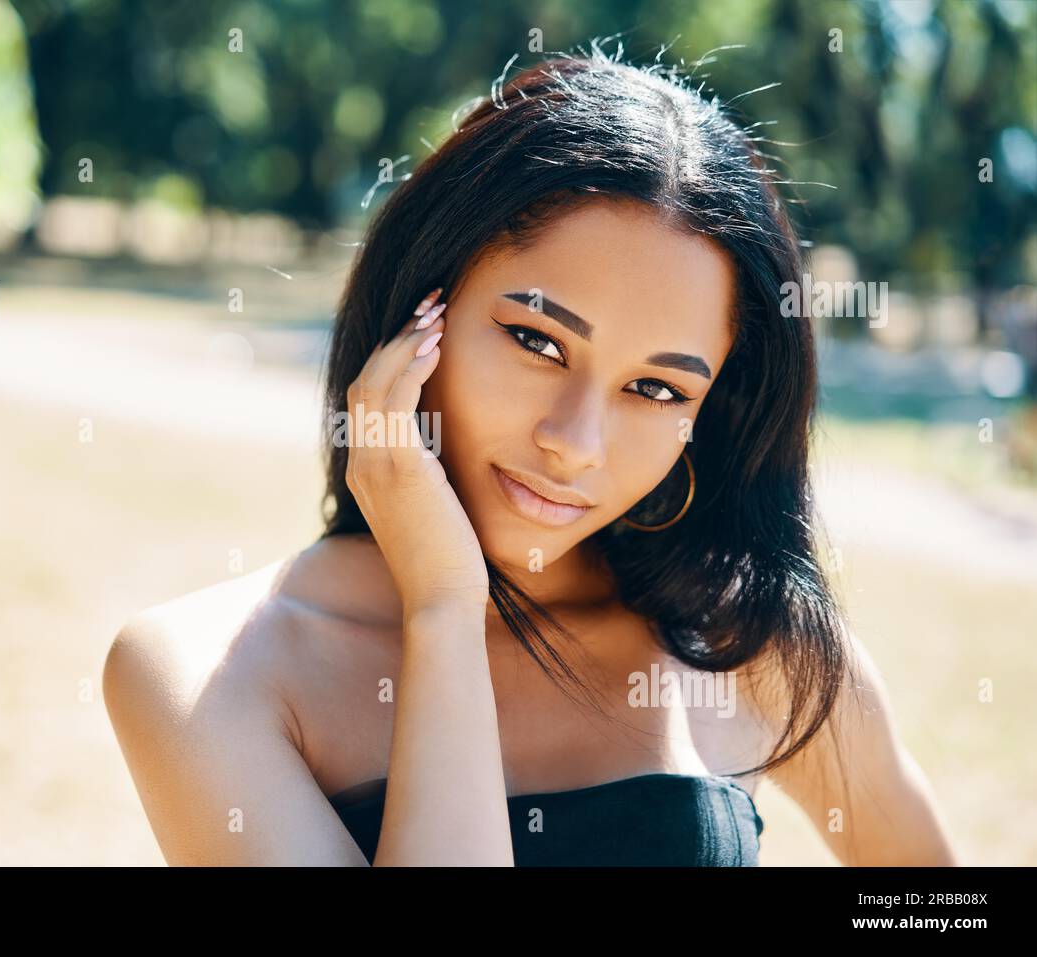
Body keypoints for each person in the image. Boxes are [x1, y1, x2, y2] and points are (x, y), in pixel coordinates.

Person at [103, 45, 959, 866]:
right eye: (537, 341)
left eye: (657, 390)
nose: (574, 442)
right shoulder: (205, 671)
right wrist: (442, 608)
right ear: (421, 308)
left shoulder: (745, 637)